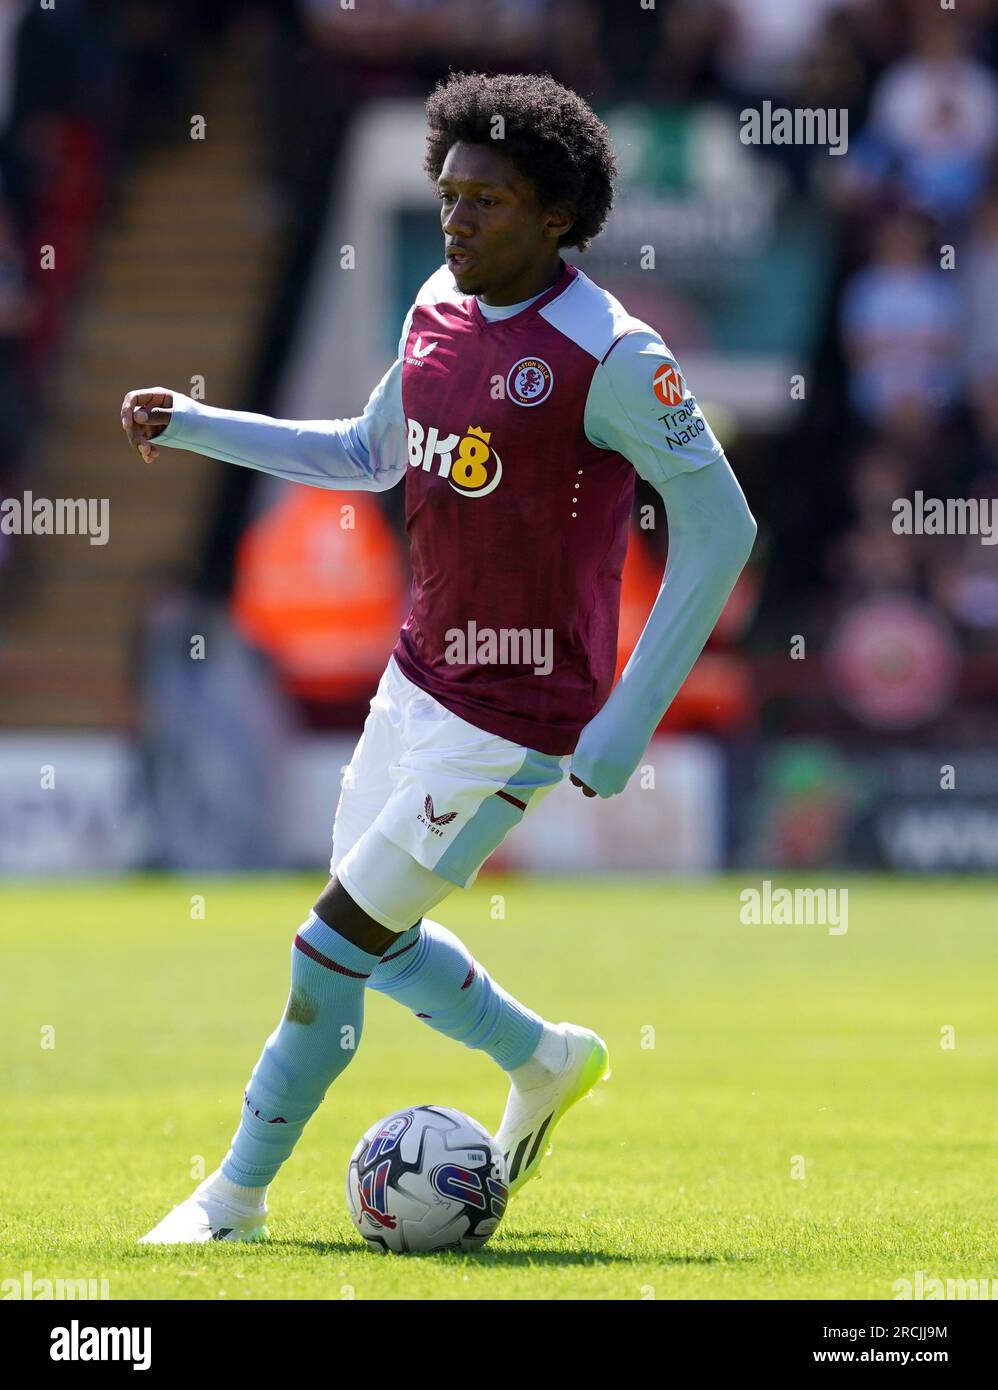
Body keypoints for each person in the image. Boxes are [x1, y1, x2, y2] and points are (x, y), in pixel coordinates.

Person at [122, 71, 756, 1243]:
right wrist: (199, 421)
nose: (457, 220)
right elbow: (367, 453)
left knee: (328, 953)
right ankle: (544, 1057)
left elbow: (721, 527)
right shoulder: (431, 305)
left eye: (490, 201)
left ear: (558, 214)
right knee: (381, 935)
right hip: (414, 680)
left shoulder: (612, 356)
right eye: (449, 195)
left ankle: (233, 1198)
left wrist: (625, 719)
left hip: (516, 716)